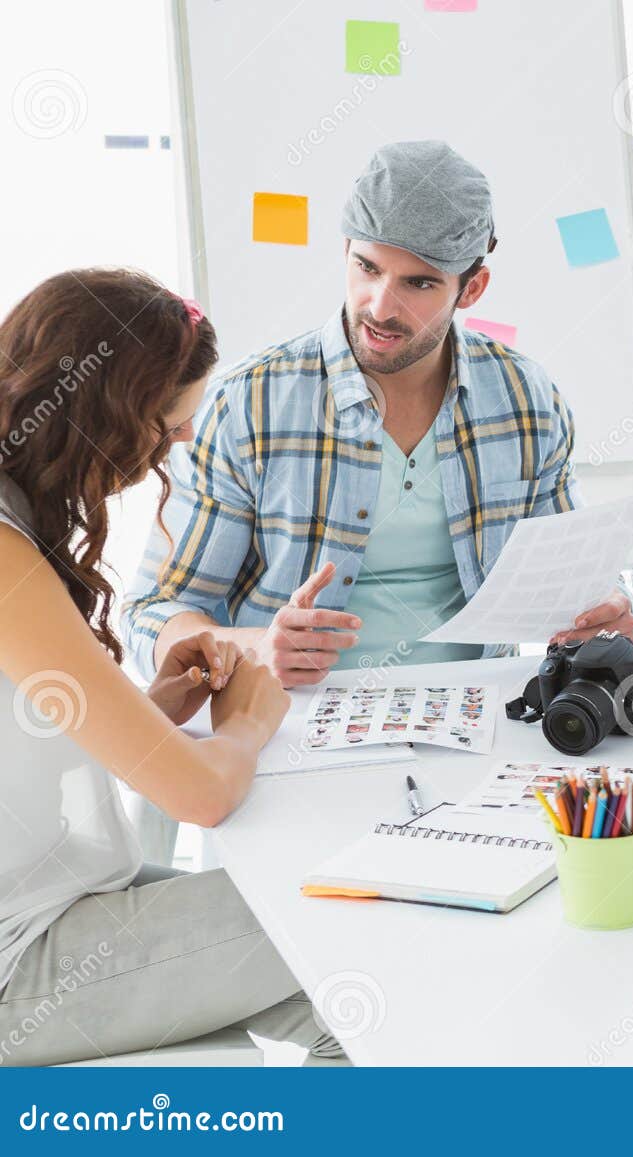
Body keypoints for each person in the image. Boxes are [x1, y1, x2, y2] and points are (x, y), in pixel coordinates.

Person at [123, 141, 633, 688]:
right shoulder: (246, 405)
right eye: (367, 267)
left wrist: (605, 607)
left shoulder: (525, 400)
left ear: (472, 289)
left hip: (481, 714)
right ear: (345, 249)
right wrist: (254, 647)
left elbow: (575, 581)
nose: (380, 307)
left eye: (419, 283)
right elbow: (153, 611)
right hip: (292, 723)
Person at [0, 270, 342, 1065]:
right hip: (23, 964)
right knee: (346, 922)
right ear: (102, 413)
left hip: (59, 904)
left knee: (350, 986)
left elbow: (25, 746)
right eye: (167, 422)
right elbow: (202, 796)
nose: (181, 440)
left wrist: (154, 707)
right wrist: (250, 719)